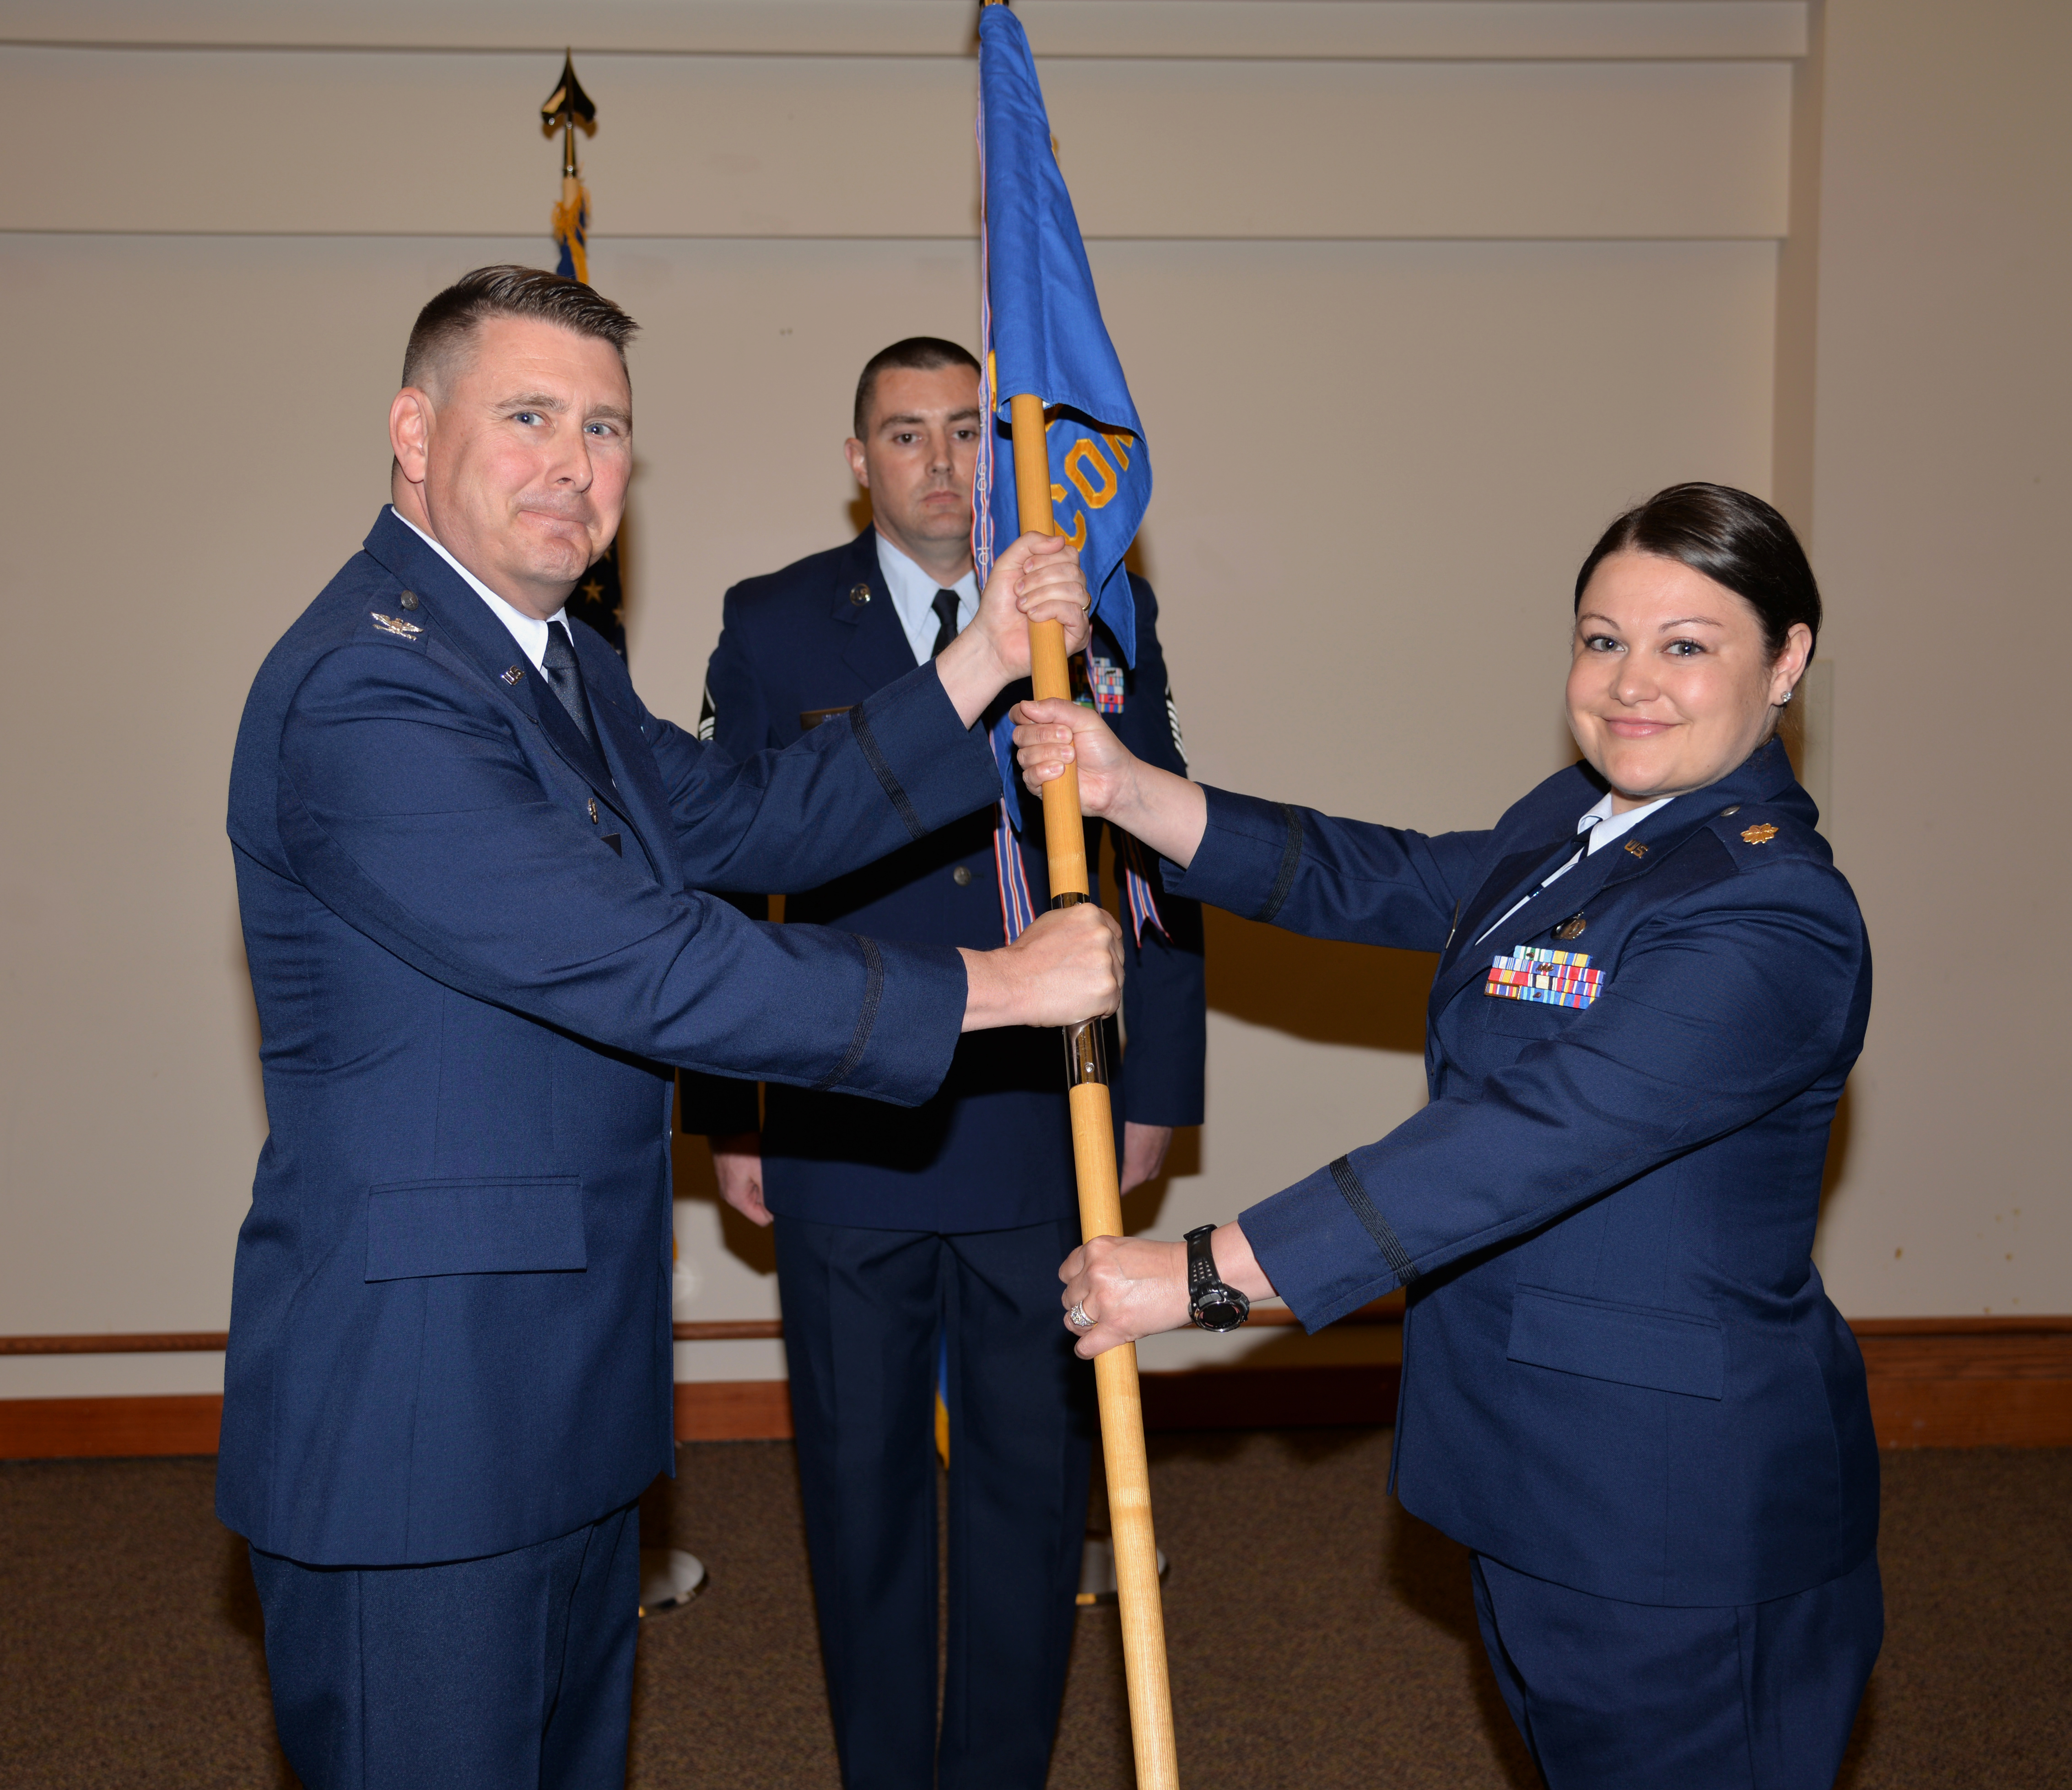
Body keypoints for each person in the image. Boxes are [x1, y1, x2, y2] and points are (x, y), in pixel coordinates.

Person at [219, 265, 1122, 1790]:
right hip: (425, 1414)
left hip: (561, 1388)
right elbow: (647, 961)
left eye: (606, 429)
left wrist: (974, 661)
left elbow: (766, 819)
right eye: (528, 417)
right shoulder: (373, 689)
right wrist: (1000, 986)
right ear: (411, 430)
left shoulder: (554, 668)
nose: (574, 464)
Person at [1018, 483, 1880, 1790]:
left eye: (1686, 645)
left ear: (1789, 658)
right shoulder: (1581, 823)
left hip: (1677, 1516)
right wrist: (1136, 793)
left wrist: (1205, 1273)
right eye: (1603, 639)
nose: (1631, 683)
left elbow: (1526, 1137)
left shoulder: (1771, 914)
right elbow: (1392, 875)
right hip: (1538, 1468)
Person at [681, 336, 1205, 1790]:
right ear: (857, 464)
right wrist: (734, 1111)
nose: (940, 461)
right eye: (904, 435)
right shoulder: (776, 622)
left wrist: (1158, 1081)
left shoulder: (1098, 605)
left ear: (1005, 452)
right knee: (860, 1496)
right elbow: (729, 875)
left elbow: (1156, 851)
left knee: (1032, 1493)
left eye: (970, 432)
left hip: (1043, 1118)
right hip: (846, 1119)